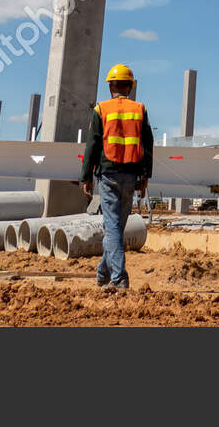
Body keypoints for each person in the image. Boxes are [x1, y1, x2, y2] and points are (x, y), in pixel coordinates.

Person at [80, 63, 154, 291]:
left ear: (110, 86)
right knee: (116, 228)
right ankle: (103, 273)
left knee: (113, 228)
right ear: (130, 87)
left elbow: (92, 145)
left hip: (109, 173)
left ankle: (118, 278)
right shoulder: (139, 109)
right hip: (131, 175)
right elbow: (147, 145)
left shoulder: (102, 109)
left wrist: (86, 177)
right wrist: (145, 176)